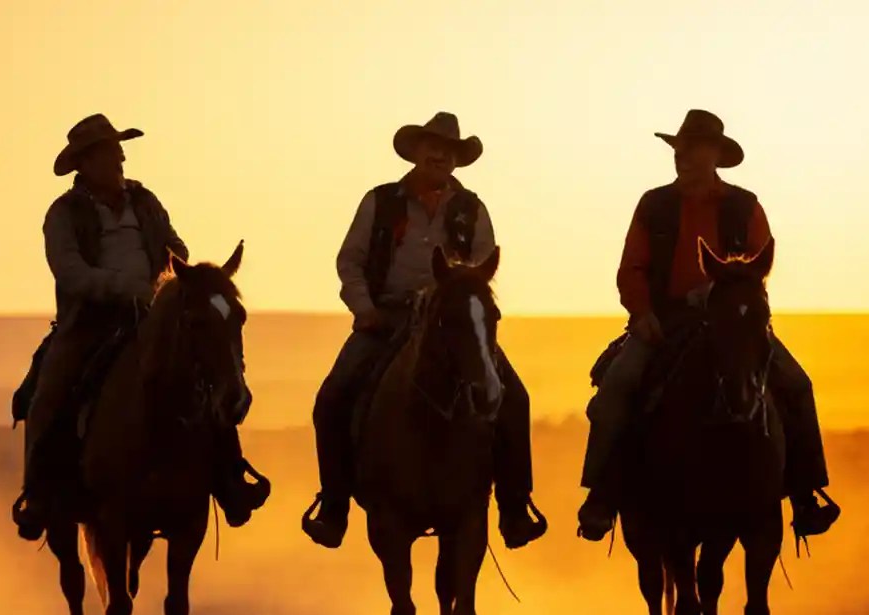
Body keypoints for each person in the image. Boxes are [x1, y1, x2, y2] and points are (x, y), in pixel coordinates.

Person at [576, 109, 840, 543]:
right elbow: (632, 268)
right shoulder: (654, 204)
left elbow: (759, 267)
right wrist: (641, 315)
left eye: (695, 150)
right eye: (680, 149)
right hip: (664, 320)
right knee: (616, 389)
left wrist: (744, 310)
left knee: (797, 385)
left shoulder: (745, 206)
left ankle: (805, 495)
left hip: (732, 322)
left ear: (716, 154)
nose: (685, 157)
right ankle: (601, 496)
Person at [11, 113, 268, 541]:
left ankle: (229, 478)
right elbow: (69, 270)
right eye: (109, 152)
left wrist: (166, 280)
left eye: (118, 150)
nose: (119, 158)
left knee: (205, 374)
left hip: (153, 315)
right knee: (48, 392)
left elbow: (175, 244)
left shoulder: (144, 201)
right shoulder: (64, 213)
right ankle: (39, 492)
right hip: (88, 322)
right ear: (86, 163)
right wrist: (123, 287)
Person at [302, 112, 546, 550]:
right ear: (415, 152)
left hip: (451, 322)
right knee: (332, 398)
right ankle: (334, 506)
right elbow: (350, 261)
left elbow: (484, 265)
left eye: (449, 150)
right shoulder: (380, 201)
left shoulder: (471, 209)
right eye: (433, 147)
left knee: (515, 398)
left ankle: (514, 507)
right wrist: (364, 309)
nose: (440, 155)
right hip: (385, 318)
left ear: (457, 160)